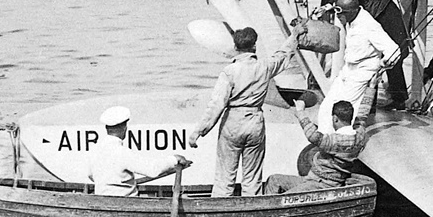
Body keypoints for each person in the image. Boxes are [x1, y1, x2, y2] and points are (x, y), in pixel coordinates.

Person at [187, 26, 298, 197]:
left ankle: (221, 214)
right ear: (254, 46)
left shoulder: (229, 71)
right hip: (255, 120)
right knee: (252, 178)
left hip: (233, 121)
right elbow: (284, 55)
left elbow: (217, 104)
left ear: (235, 47)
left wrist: (199, 131)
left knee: (225, 178)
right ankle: (251, 212)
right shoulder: (265, 66)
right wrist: (295, 35)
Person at [328, 0, 411, 108]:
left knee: (394, 53)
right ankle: (373, 104)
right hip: (380, 12)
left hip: (385, 13)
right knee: (376, 57)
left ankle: (398, 99)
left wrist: (331, 4)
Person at [319, 0, 400, 132]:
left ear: (352, 12)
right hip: (348, 69)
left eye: (341, 14)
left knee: (345, 111)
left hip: (362, 72)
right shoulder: (351, 19)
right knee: (327, 106)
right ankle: (324, 135)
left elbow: (394, 50)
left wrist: (382, 65)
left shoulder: (369, 25)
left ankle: (343, 143)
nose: (338, 17)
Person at [264, 98, 370, 193]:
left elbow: (313, 135)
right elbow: (363, 115)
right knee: (274, 180)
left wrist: (300, 112)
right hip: (316, 180)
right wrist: (372, 87)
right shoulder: (359, 136)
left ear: (335, 118)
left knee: (282, 194)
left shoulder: (333, 142)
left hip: (321, 185)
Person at [89, 105, 192, 196]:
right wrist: (174, 159)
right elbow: (152, 170)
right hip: (126, 206)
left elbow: (90, 175)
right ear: (124, 127)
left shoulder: (96, 150)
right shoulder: (122, 152)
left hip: (102, 202)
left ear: (107, 128)